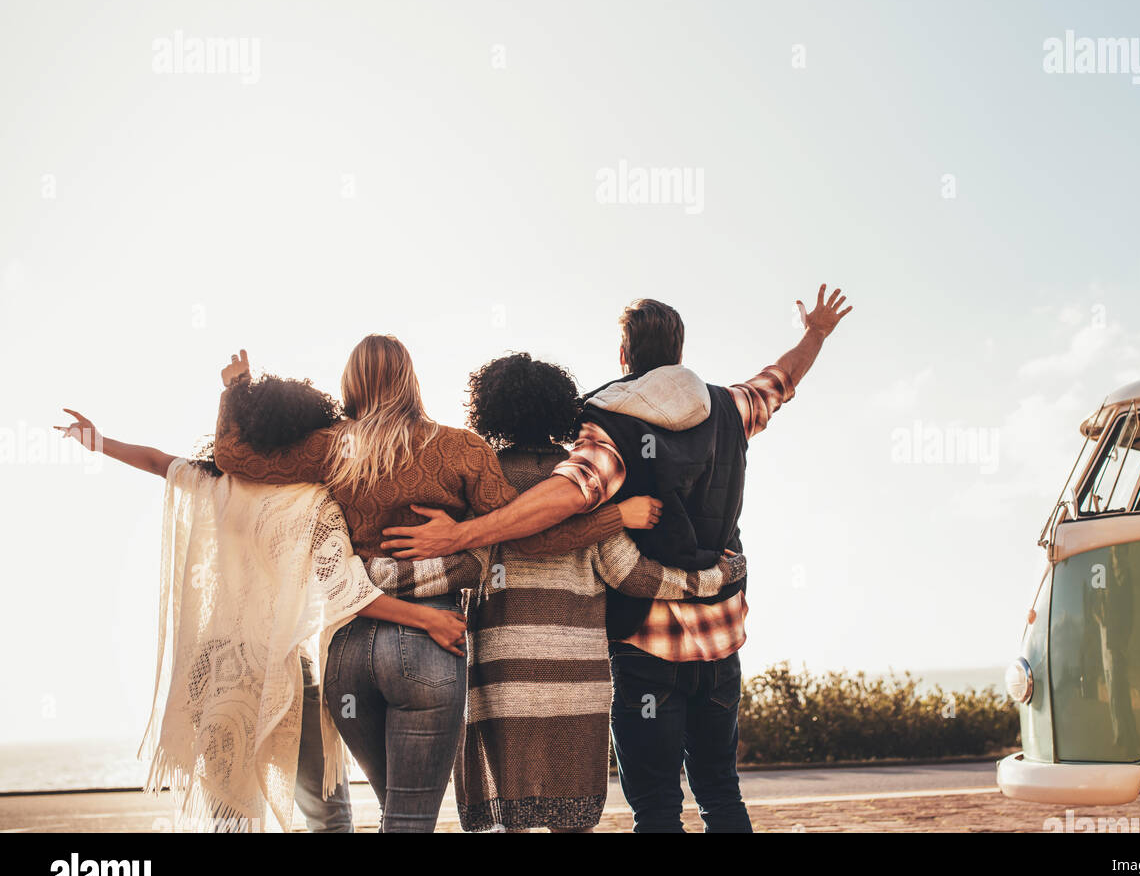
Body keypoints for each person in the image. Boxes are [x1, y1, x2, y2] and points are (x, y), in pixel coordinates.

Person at [382, 284, 853, 832]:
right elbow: (781, 381)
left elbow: (563, 498)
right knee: (722, 792)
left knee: (655, 808)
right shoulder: (729, 407)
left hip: (645, 643)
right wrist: (815, 333)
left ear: (624, 355)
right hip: (722, 637)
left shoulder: (610, 424)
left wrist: (462, 535)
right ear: (679, 352)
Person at [210, 333, 658, 832]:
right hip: (430, 643)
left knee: (391, 813)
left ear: (352, 382)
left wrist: (236, 390)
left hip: (350, 652)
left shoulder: (331, 446)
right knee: (408, 818)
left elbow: (232, 458)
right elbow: (527, 540)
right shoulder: (461, 450)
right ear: (411, 379)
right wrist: (615, 517)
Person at [55, 377, 459, 833]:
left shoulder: (217, 483)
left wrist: (98, 441)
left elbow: (154, 460)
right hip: (280, 668)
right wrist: (428, 618)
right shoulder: (315, 501)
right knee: (329, 817)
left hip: (213, 666)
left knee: (231, 816)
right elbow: (348, 590)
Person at [370, 352, 739, 832]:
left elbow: (461, 567)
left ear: (489, 410)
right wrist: (715, 579)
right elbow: (632, 575)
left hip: (504, 677)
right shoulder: (584, 483)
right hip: (576, 677)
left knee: (512, 820)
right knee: (573, 818)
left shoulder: (484, 478)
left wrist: (372, 573)